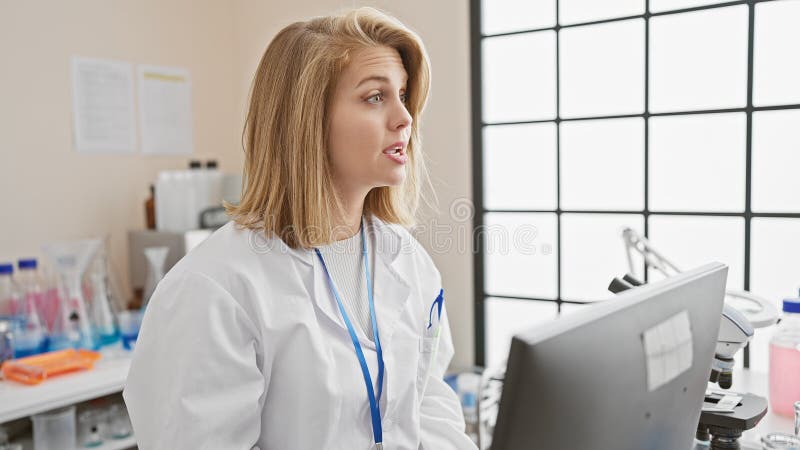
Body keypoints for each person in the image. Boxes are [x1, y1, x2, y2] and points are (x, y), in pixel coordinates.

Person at [123, 7, 477, 450]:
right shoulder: (214, 288)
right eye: (375, 97)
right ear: (306, 119)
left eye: (403, 95)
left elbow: (428, 401)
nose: (405, 117)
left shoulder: (406, 258)